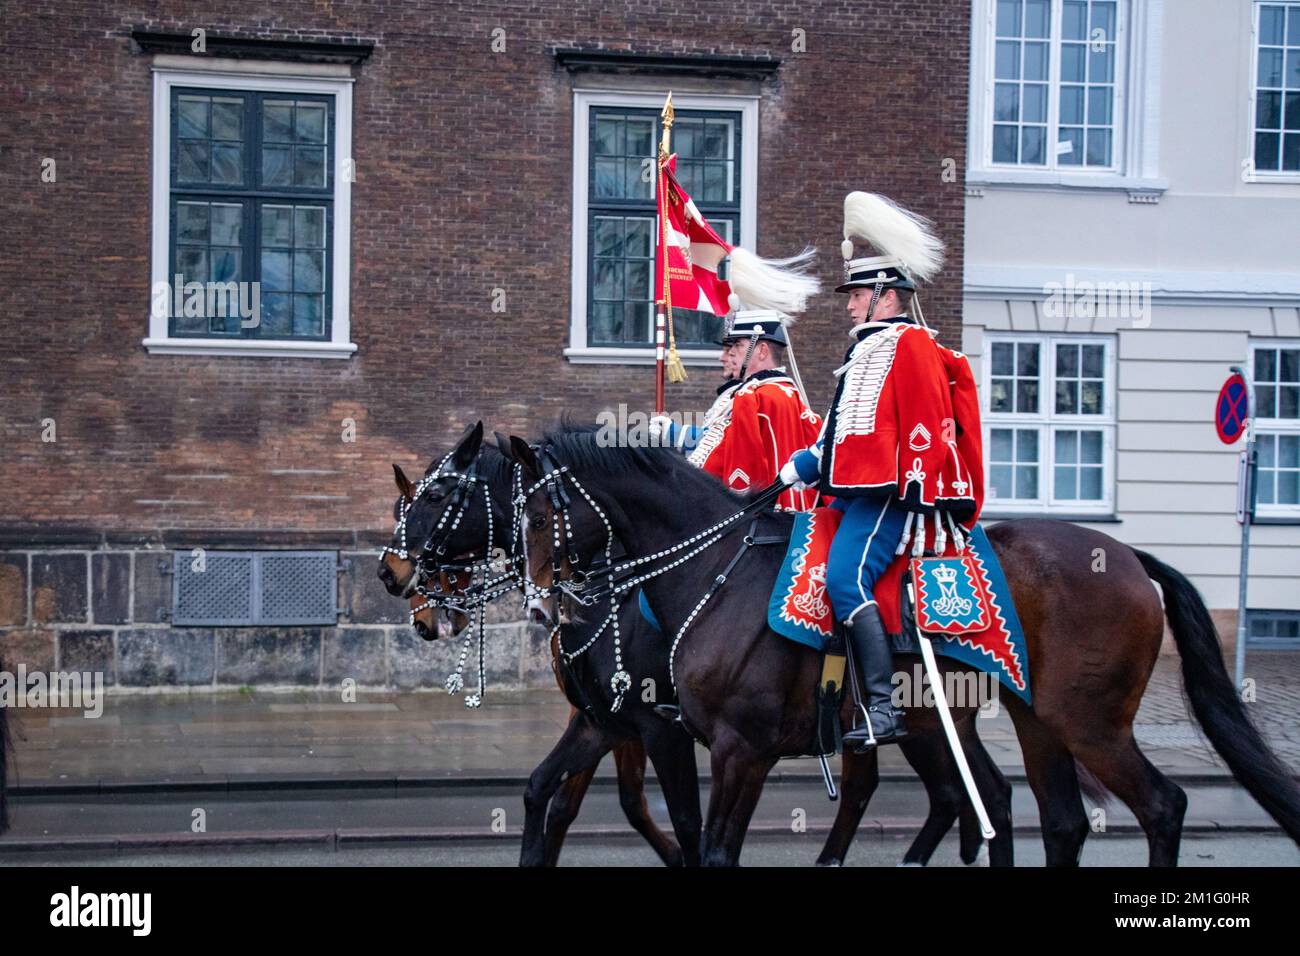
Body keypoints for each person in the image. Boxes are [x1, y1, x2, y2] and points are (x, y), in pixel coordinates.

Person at [780, 192, 982, 749]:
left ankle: (884, 708)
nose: (848, 305)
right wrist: (803, 465)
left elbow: (924, 427)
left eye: (858, 294)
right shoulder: (867, 349)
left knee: (846, 579)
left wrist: (913, 484)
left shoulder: (911, 344)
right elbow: (843, 430)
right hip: (851, 491)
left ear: (887, 297)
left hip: (887, 497)